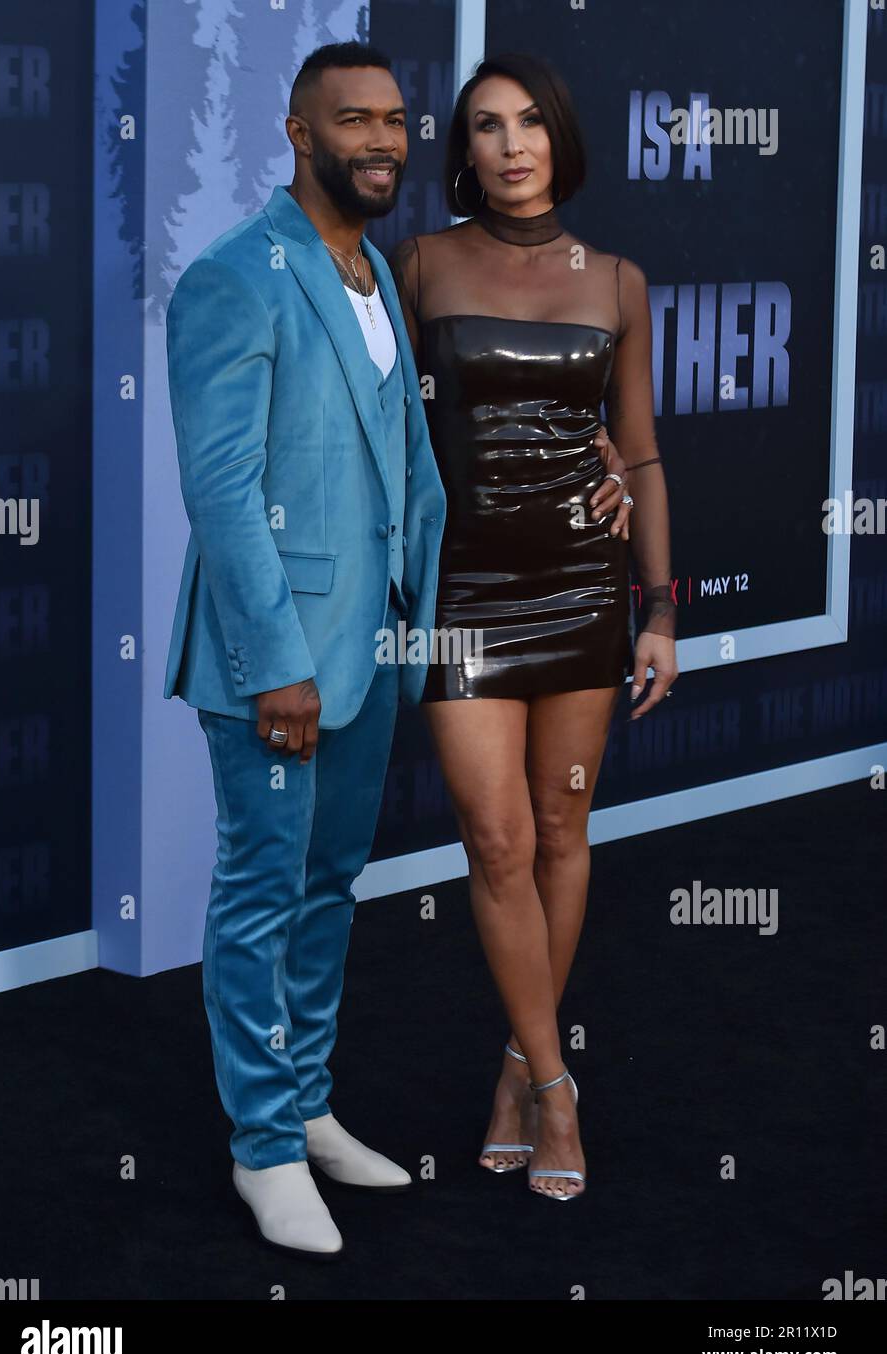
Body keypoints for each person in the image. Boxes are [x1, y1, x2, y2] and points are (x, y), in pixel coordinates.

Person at [162, 42, 446, 1257]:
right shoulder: (236, 276)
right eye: (354, 121)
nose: (381, 141)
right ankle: (262, 1149)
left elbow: (405, 469)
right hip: (271, 659)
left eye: (394, 120)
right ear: (295, 131)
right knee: (262, 893)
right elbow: (223, 492)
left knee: (329, 887)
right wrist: (276, 660)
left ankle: (308, 1103)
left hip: (372, 648)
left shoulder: (376, 268)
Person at [390, 53, 678, 1201]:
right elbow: (381, 430)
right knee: (494, 841)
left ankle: (519, 1067)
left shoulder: (614, 281)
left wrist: (656, 609)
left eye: (529, 125)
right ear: (460, 153)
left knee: (561, 830)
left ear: (559, 139)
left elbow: (642, 450)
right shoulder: (416, 266)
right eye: (484, 128)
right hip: (461, 597)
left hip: (579, 591)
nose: (510, 146)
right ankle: (560, 1087)